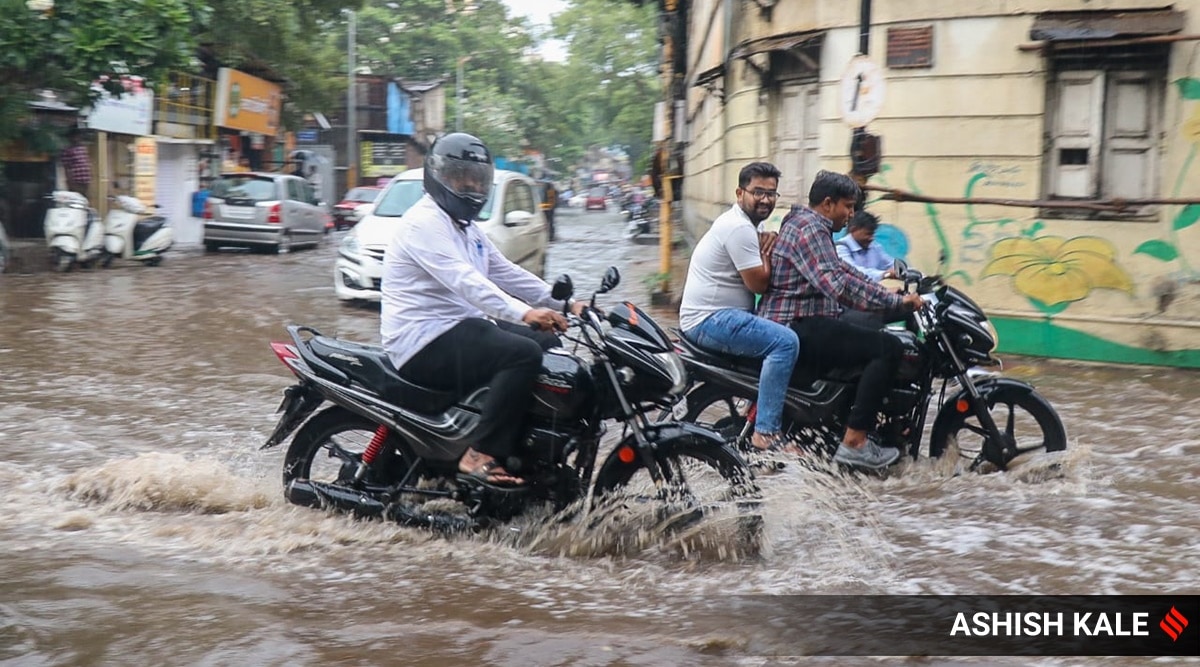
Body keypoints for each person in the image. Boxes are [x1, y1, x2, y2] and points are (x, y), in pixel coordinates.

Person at [380, 133, 585, 487]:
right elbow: (466, 282)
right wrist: (523, 313)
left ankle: (524, 448)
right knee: (520, 354)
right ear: (438, 176)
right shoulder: (424, 223)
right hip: (423, 339)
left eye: (477, 178)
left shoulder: (467, 228)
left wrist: (564, 303)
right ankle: (481, 452)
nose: (471, 186)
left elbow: (506, 272)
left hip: (460, 327)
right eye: (461, 177)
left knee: (548, 343)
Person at [760, 170, 925, 470]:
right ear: (827, 204)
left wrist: (888, 293)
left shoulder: (808, 225)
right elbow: (838, 286)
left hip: (804, 320)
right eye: (847, 207)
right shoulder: (810, 229)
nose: (851, 215)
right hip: (798, 325)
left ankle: (847, 425)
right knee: (887, 347)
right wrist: (895, 303)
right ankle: (855, 442)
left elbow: (844, 272)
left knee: (867, 335)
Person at [679, 161, 800, 453]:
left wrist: (764, 244)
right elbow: (758, 284)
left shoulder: (742, 225)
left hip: (713, 318)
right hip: (710, 320)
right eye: (758, 192)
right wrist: (767, 254)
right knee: (786, 343)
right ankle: (766, 432)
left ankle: (757, 408)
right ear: (739, 192)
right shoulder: (738, 228)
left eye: (771, 194)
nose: (765, 200)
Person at [836, 211, 895, 281]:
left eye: (872, 234)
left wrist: (904, 272)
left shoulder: (874, 247)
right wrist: (885, 274)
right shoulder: (840, 248)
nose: (871, 238)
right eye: (868, 234)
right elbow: (854, 272)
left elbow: (891, 263)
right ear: (853, 229)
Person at [61, 128, 92, 196]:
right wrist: (70, 182)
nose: (78, 138)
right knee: (76, 199)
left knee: (84, 199)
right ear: (70, 138)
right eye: (75, 136)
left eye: (79, 136)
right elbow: (67, 168)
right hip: (75, 181)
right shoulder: (67, 150)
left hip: (85, 179)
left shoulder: (83, 148)